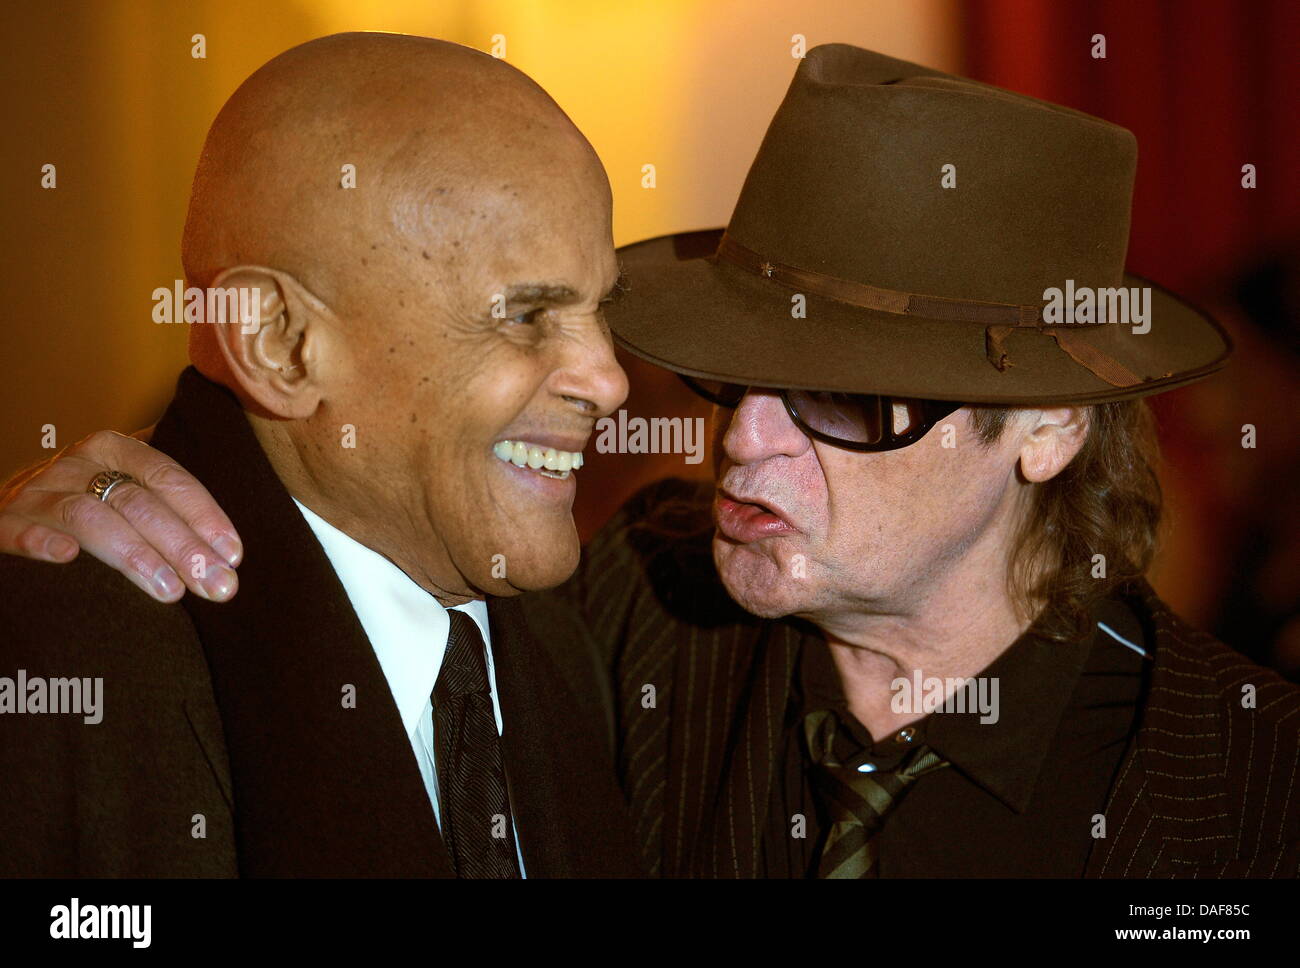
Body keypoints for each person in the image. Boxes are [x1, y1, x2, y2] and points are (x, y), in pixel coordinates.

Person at [5, 44, 1298, 878]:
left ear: (1052, 432)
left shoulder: (1245, 784)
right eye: (735, 379)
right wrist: (86, 506)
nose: (742, 442)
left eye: (845, 404)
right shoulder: (630, 604)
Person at [0, 32, 640, 878]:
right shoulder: (57, 676)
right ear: (279, 343)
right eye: (525, 316)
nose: (608, 380)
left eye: (603, 308)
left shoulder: (574, 656)